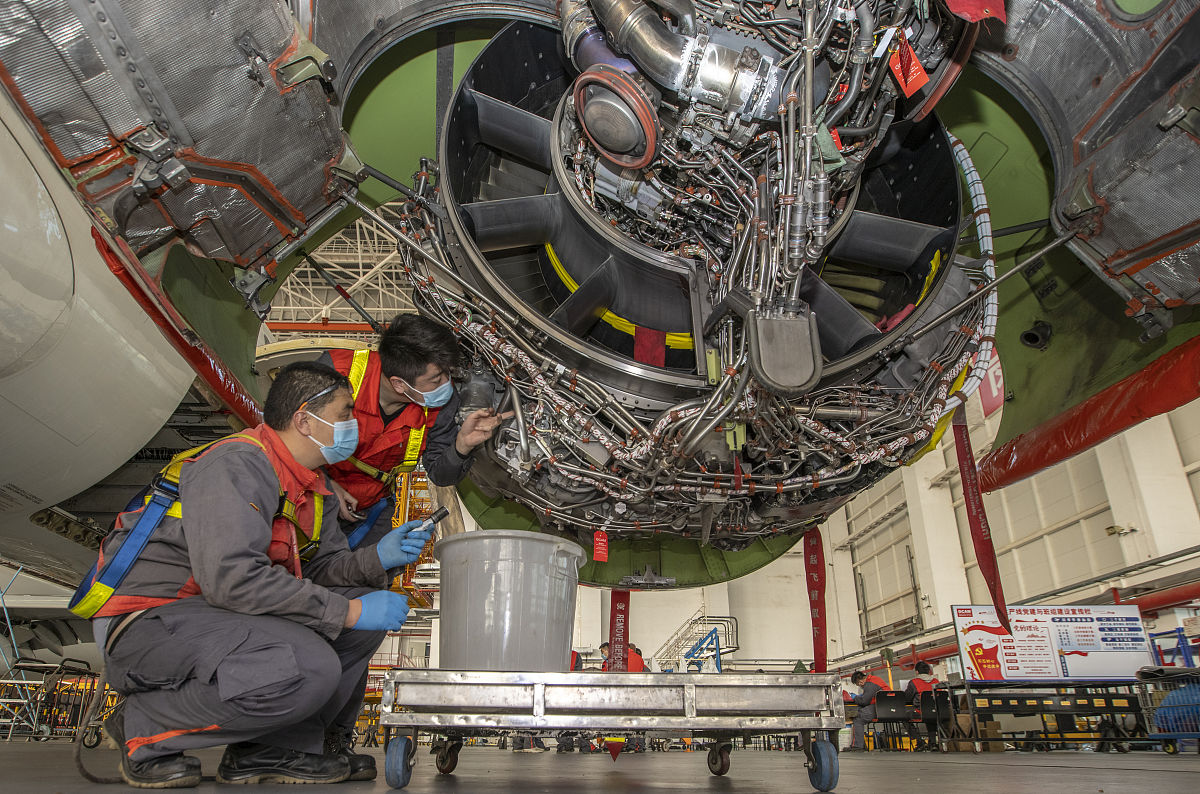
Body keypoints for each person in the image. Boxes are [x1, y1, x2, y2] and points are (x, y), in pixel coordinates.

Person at [83, 363, 432, 787]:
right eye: (344, 414)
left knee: (354, 624)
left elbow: (322, 570)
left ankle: (274, 748)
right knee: (311, 664)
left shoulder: (309, 485)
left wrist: (378, 556)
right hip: (151, 621)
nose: (354, 425)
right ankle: (145, 726)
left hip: (214, 616)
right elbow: (232, 579)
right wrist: (349, 611)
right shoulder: (238, 464)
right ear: (305, 420)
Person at [318, 314, 511, 548]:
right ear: (399, 384)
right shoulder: (337, 372)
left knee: (369, 573)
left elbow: (439, 474)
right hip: (312, 493)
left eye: (447, 374)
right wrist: (324, 484)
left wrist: (462, 446)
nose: (446, 385)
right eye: (436, 379)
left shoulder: (442, 406)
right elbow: (288, 438)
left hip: (370, 510)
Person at [846, 670, 889, 751]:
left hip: (880, 708)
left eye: (857, 684)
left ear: (860, 681)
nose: (859, 686)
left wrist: (855, 697)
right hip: (889, 708)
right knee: (861, 711)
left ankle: (858, 746)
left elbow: (864, 701)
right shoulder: (875, 679)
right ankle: (861, 744)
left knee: (858, 718)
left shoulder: (869, 684)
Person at [904, 662, 941, 750]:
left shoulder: (914, 682)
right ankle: (933, 743)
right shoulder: (936, 681)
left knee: (904, 716)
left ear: (917, 672)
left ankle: (919, 741)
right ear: (929, 671)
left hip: (921, 712)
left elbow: (907, 699)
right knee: (930, 715)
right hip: (937, 711)